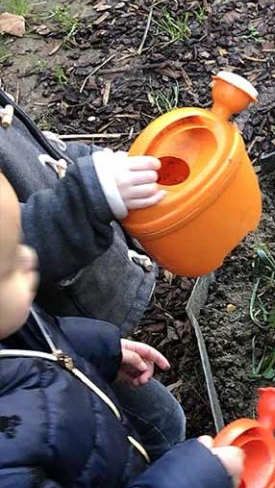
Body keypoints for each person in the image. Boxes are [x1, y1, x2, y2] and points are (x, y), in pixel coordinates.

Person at [0, 173, 244, 488]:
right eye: (9, 263)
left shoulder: (9, 323)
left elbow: (38, 340)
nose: (30, 257)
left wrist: (101, 350)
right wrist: (197, 484)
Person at [0, 86, 184, 459]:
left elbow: (33, 153)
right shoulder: (17, 449)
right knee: (148, 443)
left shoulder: (17, 322)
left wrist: (90, 349)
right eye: (10, 265)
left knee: (163, 422)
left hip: (52, 343)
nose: (29, 262)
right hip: (62, 410)